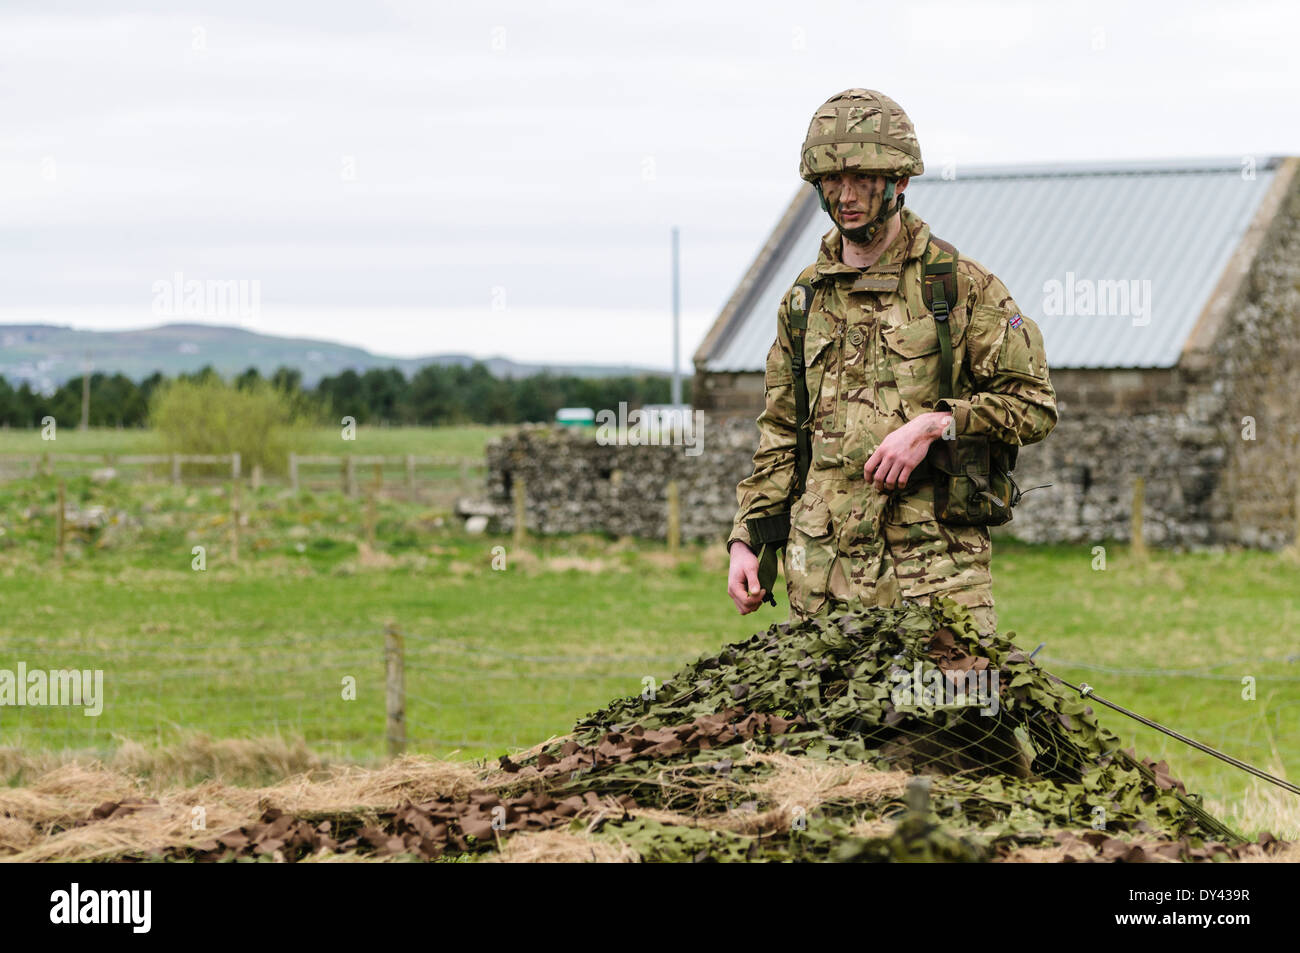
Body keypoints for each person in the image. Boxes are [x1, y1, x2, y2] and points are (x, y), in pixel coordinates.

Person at [725, 88, 1057, 635]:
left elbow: (1035, 406)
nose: (846, 194)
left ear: (899, 181)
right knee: (825, 722)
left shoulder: (958, 286)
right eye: (832, 180)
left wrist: (935, 425)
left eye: (863, 179)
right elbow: (782, 433)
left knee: (943, 722)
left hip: (934, 579)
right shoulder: (804, 300)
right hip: (821, 579)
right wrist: (748, 537)